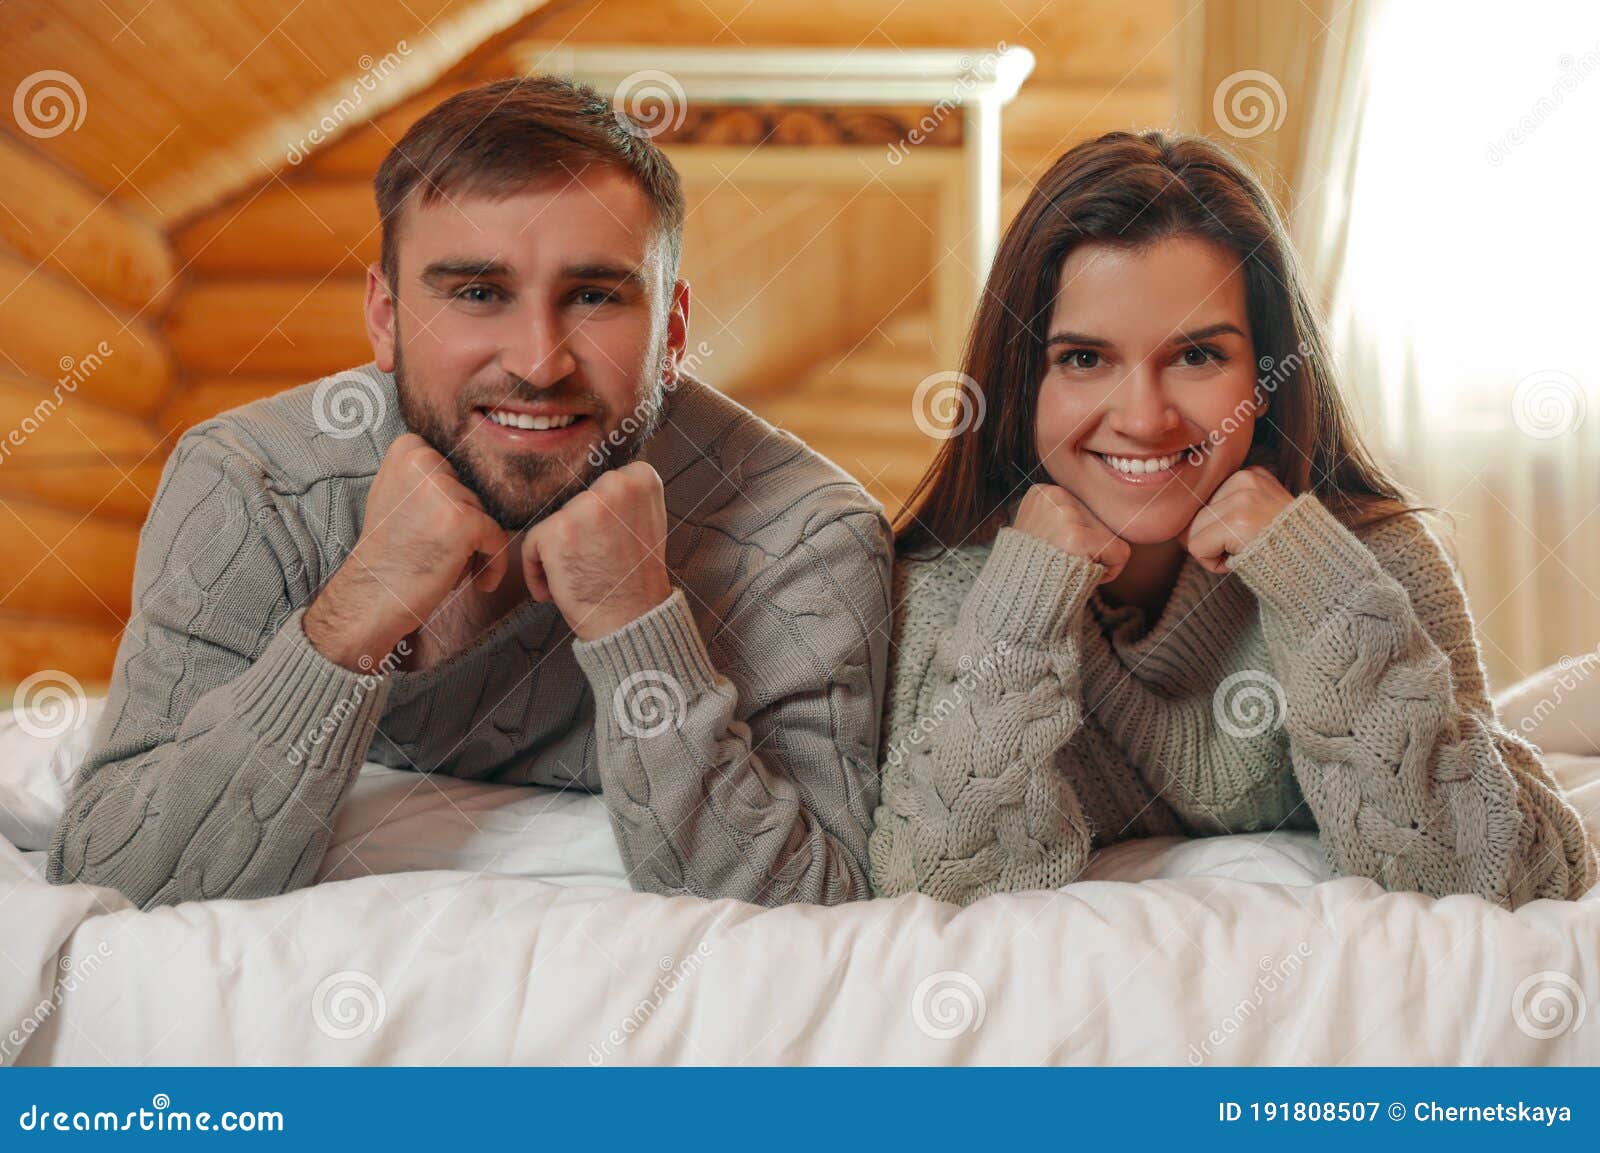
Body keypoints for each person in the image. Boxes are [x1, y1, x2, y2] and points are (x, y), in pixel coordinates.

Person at [49, 77, 892, 910]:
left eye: (594, 295)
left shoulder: (805, 534)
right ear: (384, 318)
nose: (537, 361)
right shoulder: (255, 481)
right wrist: (358, 608)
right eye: (478, 293)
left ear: (671, 333)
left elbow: (818, 917)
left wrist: (637, 626)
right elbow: (114, 876)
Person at [868, 130, 1598, 909]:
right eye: (1085, 359)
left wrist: (1315, 584)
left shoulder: (1367, 557)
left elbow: (1501, 880)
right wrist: (1025, 604)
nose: (1144, 418)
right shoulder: (954, 589)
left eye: (1198, 357)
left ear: (1272, 372)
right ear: (1021, 380)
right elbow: (932, 890)